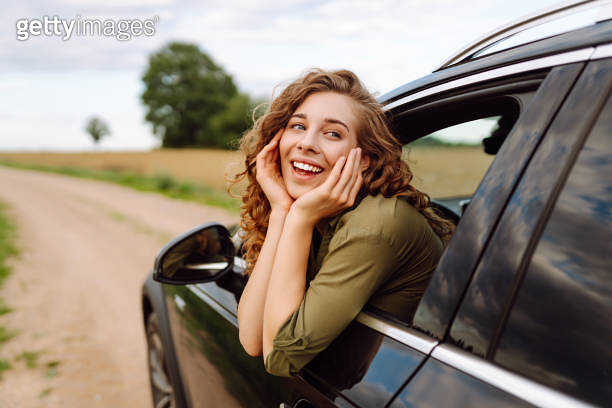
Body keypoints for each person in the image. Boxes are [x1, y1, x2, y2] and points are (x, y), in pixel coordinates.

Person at [232, 69, 454, 378]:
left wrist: (299, 218)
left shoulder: (375, 225)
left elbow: (278, 357)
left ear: (362, 160)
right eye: (298, 126)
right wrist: (282, 210)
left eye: (333, 133)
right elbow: (251, 339)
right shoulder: (317, 215)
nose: (307, 143)